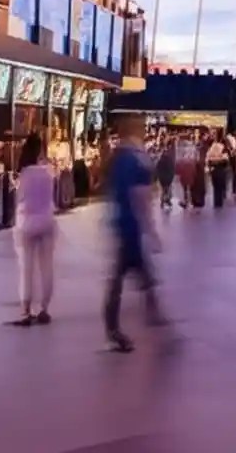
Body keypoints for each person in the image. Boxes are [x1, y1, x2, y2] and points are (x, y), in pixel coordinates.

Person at [103, 115, 167, 353]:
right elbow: (140, 197)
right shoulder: (135, 159)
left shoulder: (119, 157)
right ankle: (115, 329)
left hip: (122, 223)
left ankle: (149, 319)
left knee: (130, 276)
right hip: (131, 227)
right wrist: (151, 230)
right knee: (127, 277)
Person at [6, 134, 58, 327]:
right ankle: (44, 308)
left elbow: (19, 198)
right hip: (47, 221)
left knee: (26, 268)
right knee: (46, 267)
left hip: (26, 223)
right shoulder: (48, 172)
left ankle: (26, 310)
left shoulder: (24, 174)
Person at [206, 131, 231, 209]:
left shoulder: (212, 147)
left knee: (216, 186)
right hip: (220, 169)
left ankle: (216, 202)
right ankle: (219, 202)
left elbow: (208, 159)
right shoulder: (223, 147)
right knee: (220, 186)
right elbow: (226, 160)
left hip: (214, 169)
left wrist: (210, 167)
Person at [155, 138, 176, 209]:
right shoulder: (169, 160)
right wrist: (171, 176)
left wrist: (158, 177)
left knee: (164, 190)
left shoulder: (160, 160)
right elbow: (171, 169)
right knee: (168, 189)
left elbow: (157, 169)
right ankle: (167, 200)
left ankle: (163, 201)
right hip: (167, 178)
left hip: (162, 178)